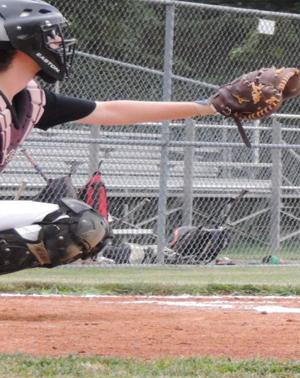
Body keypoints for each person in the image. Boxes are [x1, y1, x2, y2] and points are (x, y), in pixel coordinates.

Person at [0, 1, 232, 275]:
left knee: (81, 224)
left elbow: (110, 110)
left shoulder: (30, 98)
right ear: (21, 41)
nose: (58, 41)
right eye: (50, 34)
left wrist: (209, 106)